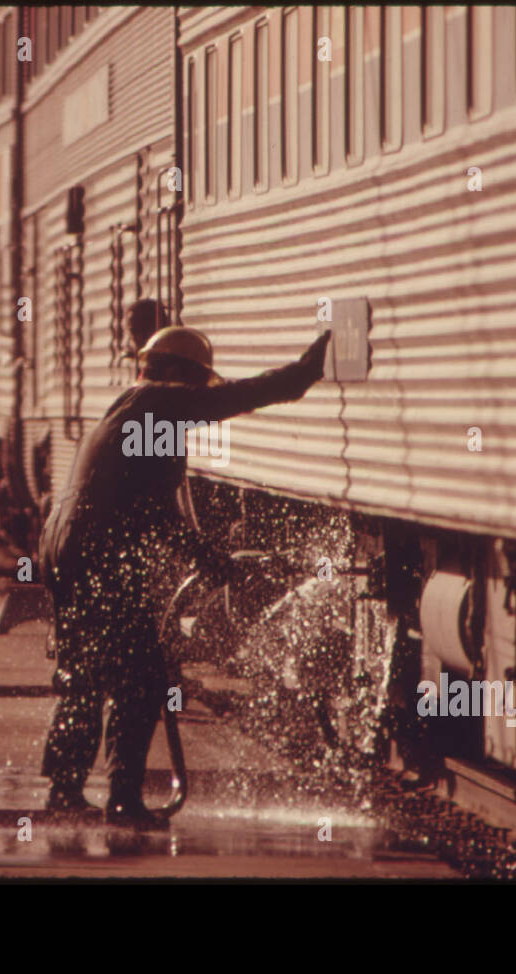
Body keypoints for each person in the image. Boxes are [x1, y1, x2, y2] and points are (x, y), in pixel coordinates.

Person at [38, 315, 332, 828]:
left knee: (86, 671)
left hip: (64, 545)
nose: (200, 394)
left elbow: (157, 512)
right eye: (198, 383)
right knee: (141, 678)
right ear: (184, 377)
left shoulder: (129, 409)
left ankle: (64, 788)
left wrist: (208, 559)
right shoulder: (161, 404)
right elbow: (233, 398)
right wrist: (302, 373)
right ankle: (124, 800)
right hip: (97, 551)